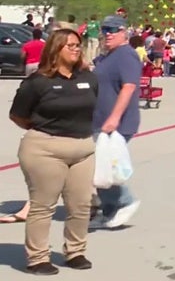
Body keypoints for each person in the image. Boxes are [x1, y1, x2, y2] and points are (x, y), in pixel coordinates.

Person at [8, 27, 98, 273]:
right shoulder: (38, 82)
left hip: (82, 148)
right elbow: (17, 115)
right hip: (45, 149)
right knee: (43, 205)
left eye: (78, 45)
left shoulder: (88, 78)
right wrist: (45, 129)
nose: (76, 49)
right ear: (55, 49)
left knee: (81, 205)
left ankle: (75, 252)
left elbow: (93, 107)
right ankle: (38, 258)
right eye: (69, 45)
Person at [91, 15, 143, 229]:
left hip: (116, 123)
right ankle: (109, 209)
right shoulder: (107, 56)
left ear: (125, 32)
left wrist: (114, 117)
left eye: (113, 29)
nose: (108, 33)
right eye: (105, 29)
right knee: (99, 168)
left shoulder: (126, 55)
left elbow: (129, 87)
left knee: (102, 167)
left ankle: (124, 201)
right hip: (98, 119)